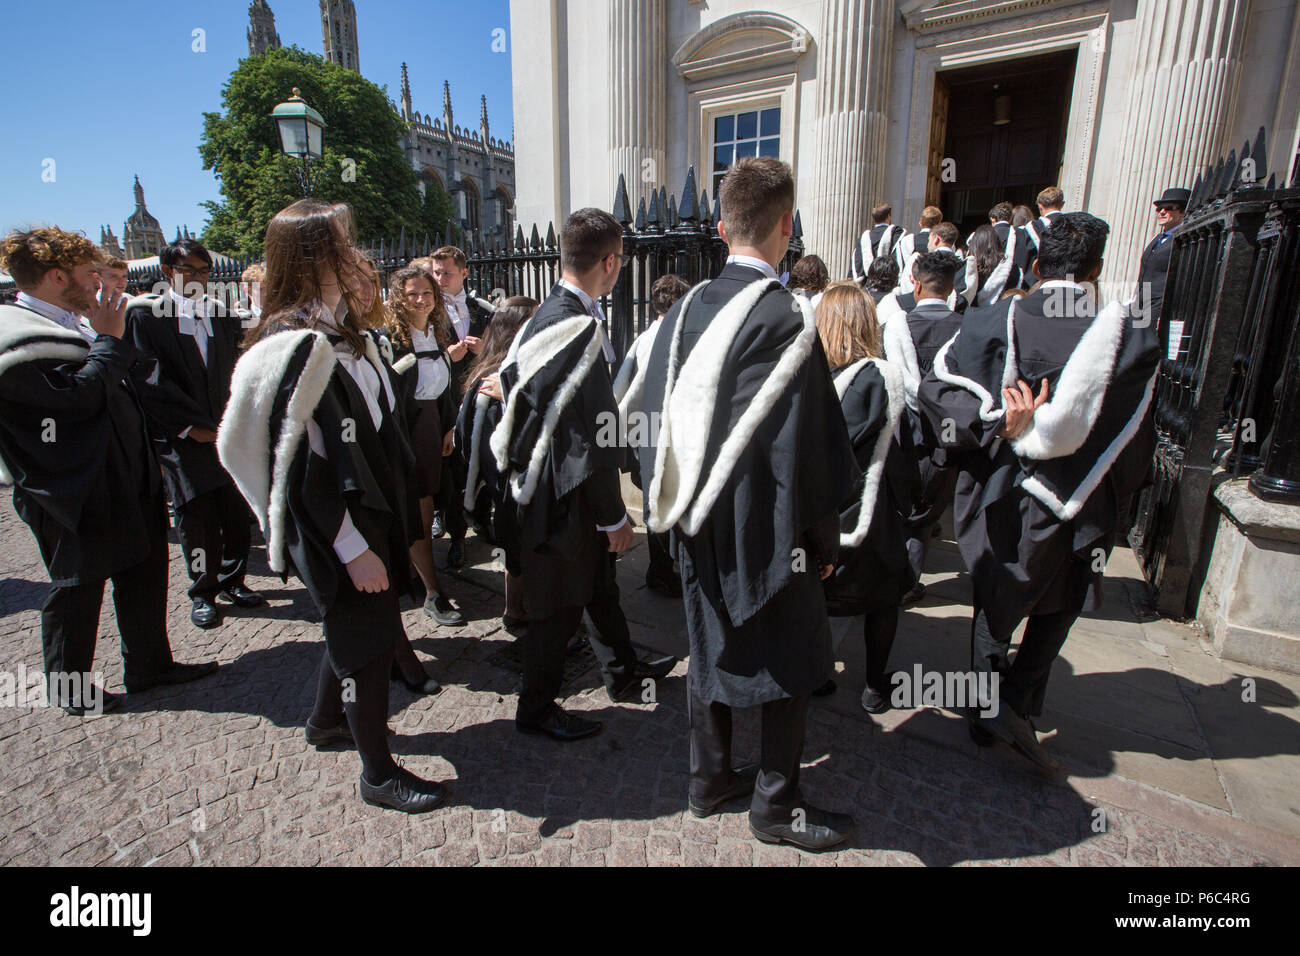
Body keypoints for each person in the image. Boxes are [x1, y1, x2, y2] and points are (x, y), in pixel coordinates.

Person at [637, 157, 860, 851]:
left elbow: (648, 416)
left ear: (719, 224)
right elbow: (813, 446)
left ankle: (707, 782)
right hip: (770, 530)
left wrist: (671, 517)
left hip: (696, 526)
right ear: (787, 225)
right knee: (792, 661)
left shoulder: (681, 316)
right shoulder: (784, 319)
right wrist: (822, 543)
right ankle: (775, 804)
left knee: (707, 649)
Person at [218, 200, 446, 812]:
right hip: (338, 527)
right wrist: (352, 548)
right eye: (346, 244)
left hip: (372, 512)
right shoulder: (292, 343)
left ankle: (326, 721)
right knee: (366, 649)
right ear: (316, 255)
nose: (360, 256)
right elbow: (302, 471)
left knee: (353, 630)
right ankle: (377, 774)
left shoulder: (344, 330)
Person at [917, 212, 1160, 771]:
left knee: (993, 601)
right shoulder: (1123, 338)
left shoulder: (987, 320)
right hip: (1080, 499)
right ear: (1095, 269)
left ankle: (985, 714)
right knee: (1062, 601)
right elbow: (1136, 443)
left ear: (1035, 263)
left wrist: (996, 425)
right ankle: (1019, 699)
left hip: (1002, 490)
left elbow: (937, 393)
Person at [0, 227, 218, 715]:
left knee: (144, 568)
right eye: (88, 274)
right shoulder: (14, 338)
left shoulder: (81, 322)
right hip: (68, 488)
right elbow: (73, 404)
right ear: (58, 277)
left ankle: (149, 664)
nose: (100, 283)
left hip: (128, 472)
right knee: (78, 584)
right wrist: (107, 341)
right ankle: (70, 686)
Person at [491, 208, 677, 742]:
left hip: (553, 485)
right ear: (611, 261)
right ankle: (536, 708)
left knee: (597, 588)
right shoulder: (572, 325)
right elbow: (591, 436)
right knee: (558, 608)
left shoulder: (553, 313)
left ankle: (622, 674)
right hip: (561, 495)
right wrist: (614, 516)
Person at [128, 238, 264, 629]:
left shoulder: (222, 316)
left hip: (227, 432)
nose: (199, 278)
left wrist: (231, 421)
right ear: (169, 272)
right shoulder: (149, 317)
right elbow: (150, 379)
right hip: (183, 438)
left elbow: (238, 369)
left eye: (204, 271)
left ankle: (233, 580)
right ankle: (202, 591)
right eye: (190, 271)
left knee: (236, 511)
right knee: (196, 516)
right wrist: (191, 427)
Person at [815, 282, 915, 713]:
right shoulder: (880, 376)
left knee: (815, 596)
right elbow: (902, 448)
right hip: (869, 513)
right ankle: (875, 685)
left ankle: (817, 676)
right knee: (881, 599)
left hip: (821, 510)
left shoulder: (810, 372)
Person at [381, 264, 466, 633]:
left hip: (432, 426)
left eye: (427, 293)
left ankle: (416, 579)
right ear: (399, 298)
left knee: (427, 501)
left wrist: (447, 426)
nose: (420, 299)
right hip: (404, 431)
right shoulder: (388, 339)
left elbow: (444, 385)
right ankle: (432, 590)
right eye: (412, 293)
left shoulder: (436, 331)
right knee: (416, 507)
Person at [884, 252, 965, 598]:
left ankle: (885, 580)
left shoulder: (894, 329)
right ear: (950, 290)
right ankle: (907, 583)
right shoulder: (967, 330)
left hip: (902, 436)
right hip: (944, 441)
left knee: (894, 511)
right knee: (925, 519)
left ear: (916, 285)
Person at [455, 296, 537, 635]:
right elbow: (486, 442)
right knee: (518, 550)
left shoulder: (502, 370)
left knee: (514, 551)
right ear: (518, 329)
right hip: (511, 484)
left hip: (506, 486)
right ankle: (519, 611)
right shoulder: (495, 379)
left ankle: (516, 608)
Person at [612, 273, 691, 597]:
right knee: (661, 506)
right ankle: (662, 571)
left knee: (656, 504)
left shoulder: (644, 338)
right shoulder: (671, 339)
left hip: (644, 436)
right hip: (661, 437)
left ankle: (662, 568)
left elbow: (623, 389)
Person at [422, 247, 495, 569]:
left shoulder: (483, 310)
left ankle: (481, 517)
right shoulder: (426, 312)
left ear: (464, 273)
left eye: (446, 273)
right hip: (443, 401)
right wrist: (444, 356)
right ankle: (456, 536)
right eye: (435, 273)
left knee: (483, 460)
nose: (439, 279)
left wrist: (485, 350)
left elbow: (503, 351)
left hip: (478, 397)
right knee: (450, 471)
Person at [1134, 187, 1189, 330]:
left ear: (1183, 212)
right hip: (1141, 302)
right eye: (1159, 209)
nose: (1162, 212)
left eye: (1169, 208)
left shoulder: (1183, 239)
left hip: (1160, 305)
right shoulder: (1158, 238)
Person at [851, 202, 909, 287]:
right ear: (888, 217)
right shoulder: (897, 234)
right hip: (889, 285)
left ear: (874, 219)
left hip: (868, 285)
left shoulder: (863, 238)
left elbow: (858, 263)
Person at [895, 205, 943, 293]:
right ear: (939, 224)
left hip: (909, 287)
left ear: (920, 223)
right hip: (934, 289)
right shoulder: (942, 243)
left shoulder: (907, 241)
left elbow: (900, 267)